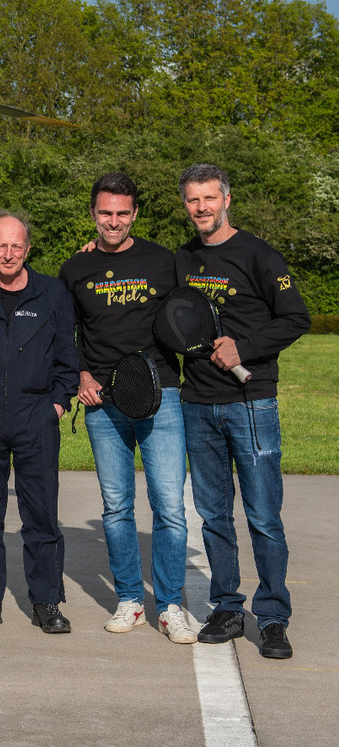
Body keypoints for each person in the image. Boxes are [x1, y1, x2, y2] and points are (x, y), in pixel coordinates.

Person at [175, 163, 310, 660]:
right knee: (213, 516)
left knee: (264, 518)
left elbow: (296, 318)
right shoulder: (182, 258)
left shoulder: (260, 255)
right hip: (197, 404)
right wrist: (95, 249)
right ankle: (228, 608)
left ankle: (272, 618)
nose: (202, 208)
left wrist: (244, 348)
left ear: (226, 200)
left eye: (210, 198)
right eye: (193, 199)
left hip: (252, 403)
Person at [59, 173, 195, 644]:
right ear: (93, 214)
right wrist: (81, 375)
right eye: (105, 212)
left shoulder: (164, 261)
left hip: (162, 397)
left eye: (121, 213)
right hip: (103, 401)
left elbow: (190, 315)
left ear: (135, 214)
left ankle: (171, 606)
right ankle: (131, 600)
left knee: (169, 506)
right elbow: (64, 335)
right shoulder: (75, 269)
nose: (113, 221)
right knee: (116, 507)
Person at [0, 212, 79, 634]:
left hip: (36, 412)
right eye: (0, 246)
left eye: (16, 246)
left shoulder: (52, 293)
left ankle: (46, 602)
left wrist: (57, 405)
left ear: (27, 249)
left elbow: (67, 356)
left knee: (41, 513)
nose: (8, 254)